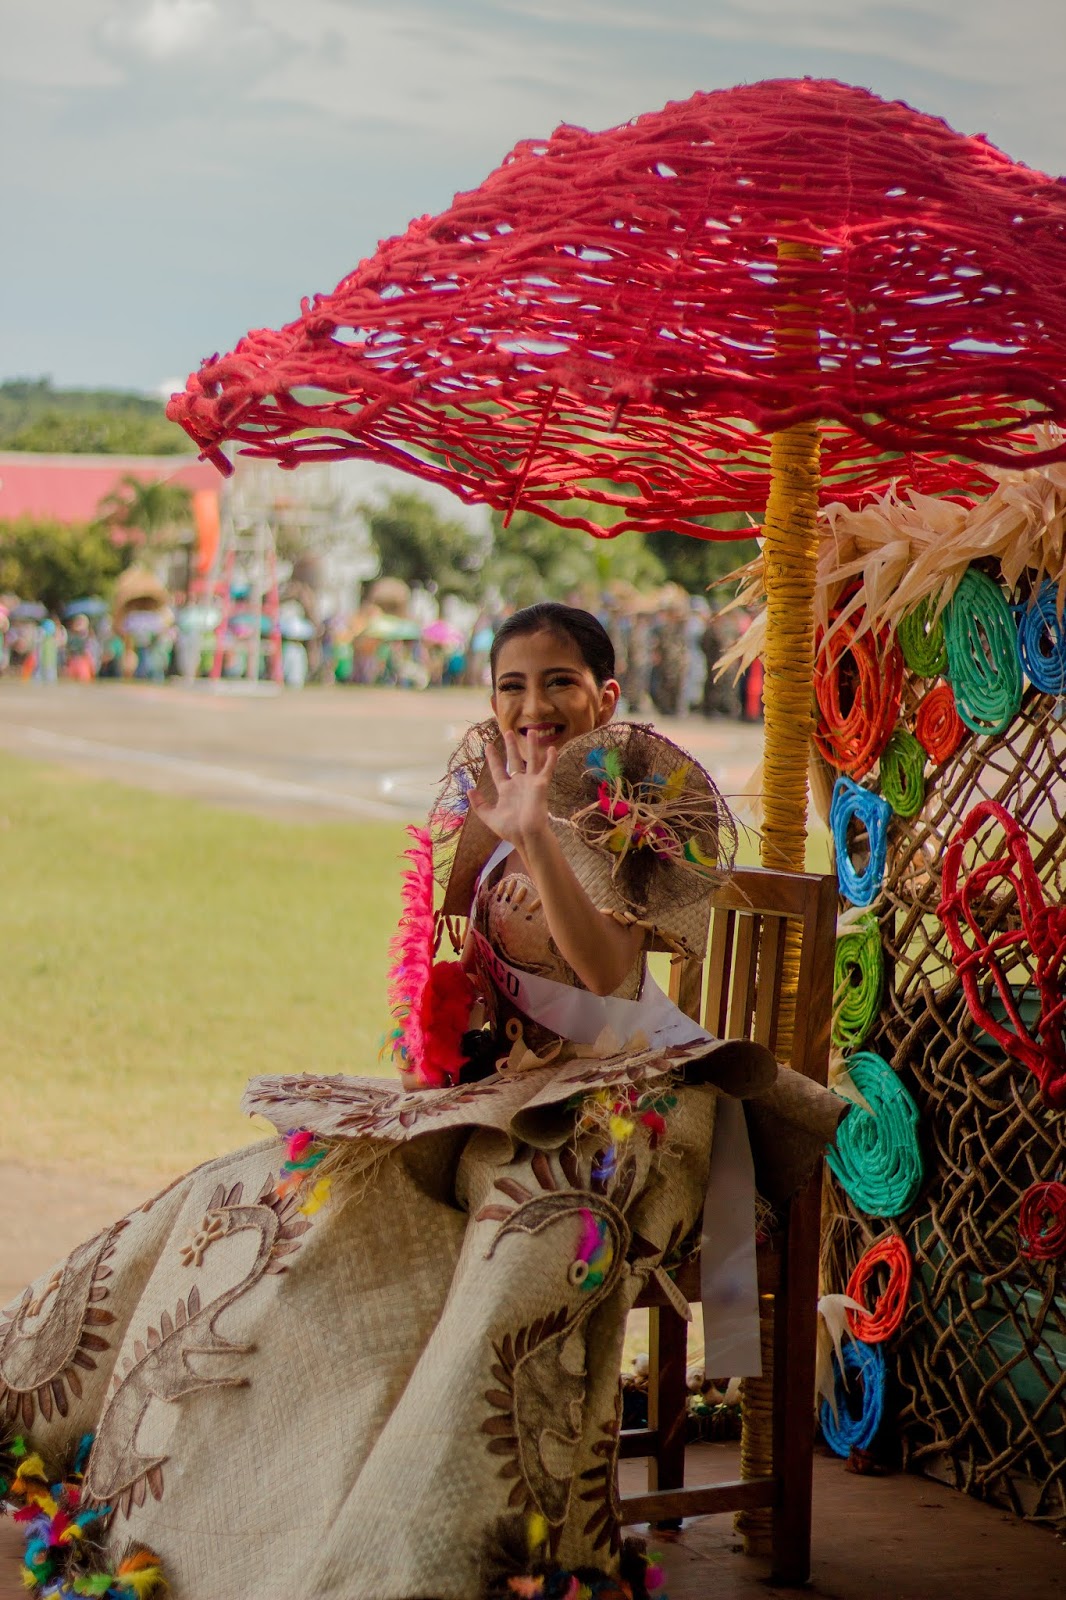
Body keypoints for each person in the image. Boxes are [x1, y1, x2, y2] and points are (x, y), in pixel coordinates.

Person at [0, 604, 841, 1600]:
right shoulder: (479, 787)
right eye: (513, 685)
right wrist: (445, 1019)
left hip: (639, 1099)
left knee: (520, 1245)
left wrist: (537, 833)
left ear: (606, 696)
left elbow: (611, 981)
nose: (535, 706)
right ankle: (211, 1475)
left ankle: (455, 1559)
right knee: (287, 1188)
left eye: (560, 682)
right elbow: (450, 954)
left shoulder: (644, 799)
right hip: (509, 1090)